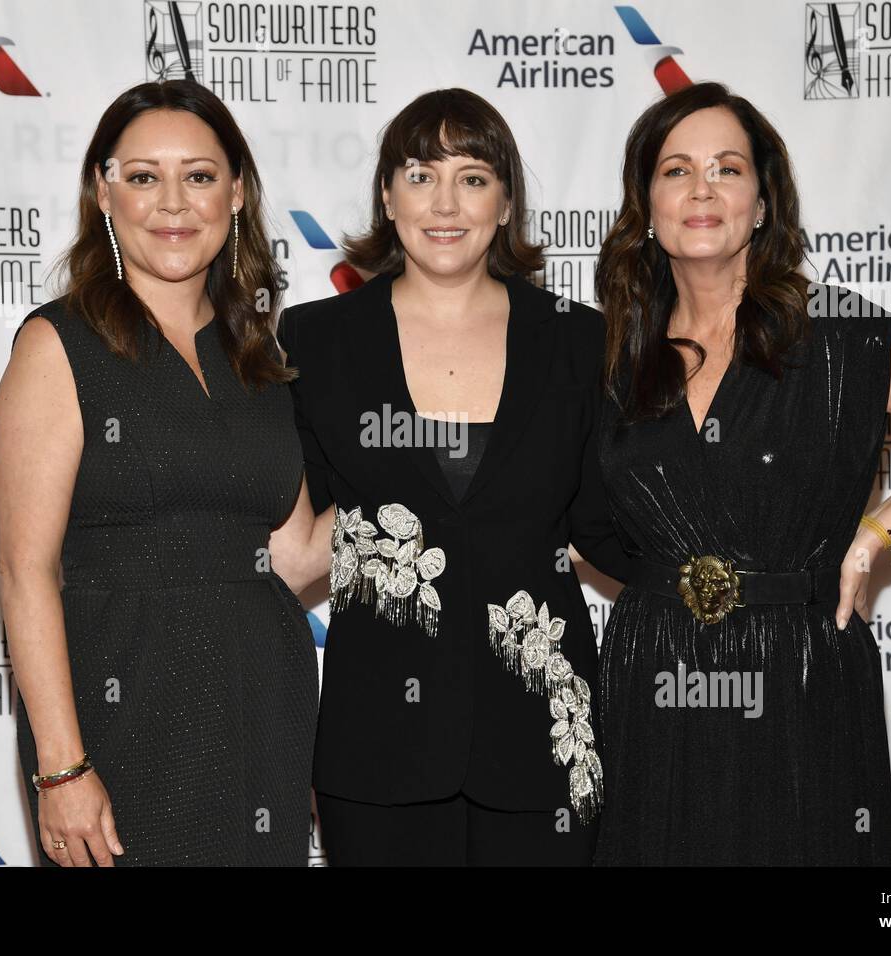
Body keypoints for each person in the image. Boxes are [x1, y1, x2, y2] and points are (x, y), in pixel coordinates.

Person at [593, 81, 891, 865]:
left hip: (797, 672)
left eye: (728, 169)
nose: (702, 190)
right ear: (646, 206)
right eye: (676, 171)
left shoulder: (837, 332)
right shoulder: (615, 351)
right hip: (653, 673)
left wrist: (873, 535)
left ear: (762, 205)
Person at [269, 88, 630, 866]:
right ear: (388, 197)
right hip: (378, 744)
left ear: (505, 205)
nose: (445, 201)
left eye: (472, 177)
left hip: (545, 734)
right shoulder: (316, 338)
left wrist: (735, 575)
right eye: (420, 174)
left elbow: (603, 526)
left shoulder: (576, 339)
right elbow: (291, 536)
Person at [0, 80, 317, 866]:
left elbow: (298, 554)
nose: (174, 203)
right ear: (104, 191)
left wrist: (421, 468)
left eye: (200, 176)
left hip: (263, 704)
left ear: (237, 193)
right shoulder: (58, 345)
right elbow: (23, 570)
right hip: (123, 707)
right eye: (143, 177)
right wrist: (62, 766)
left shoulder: (260, 356)